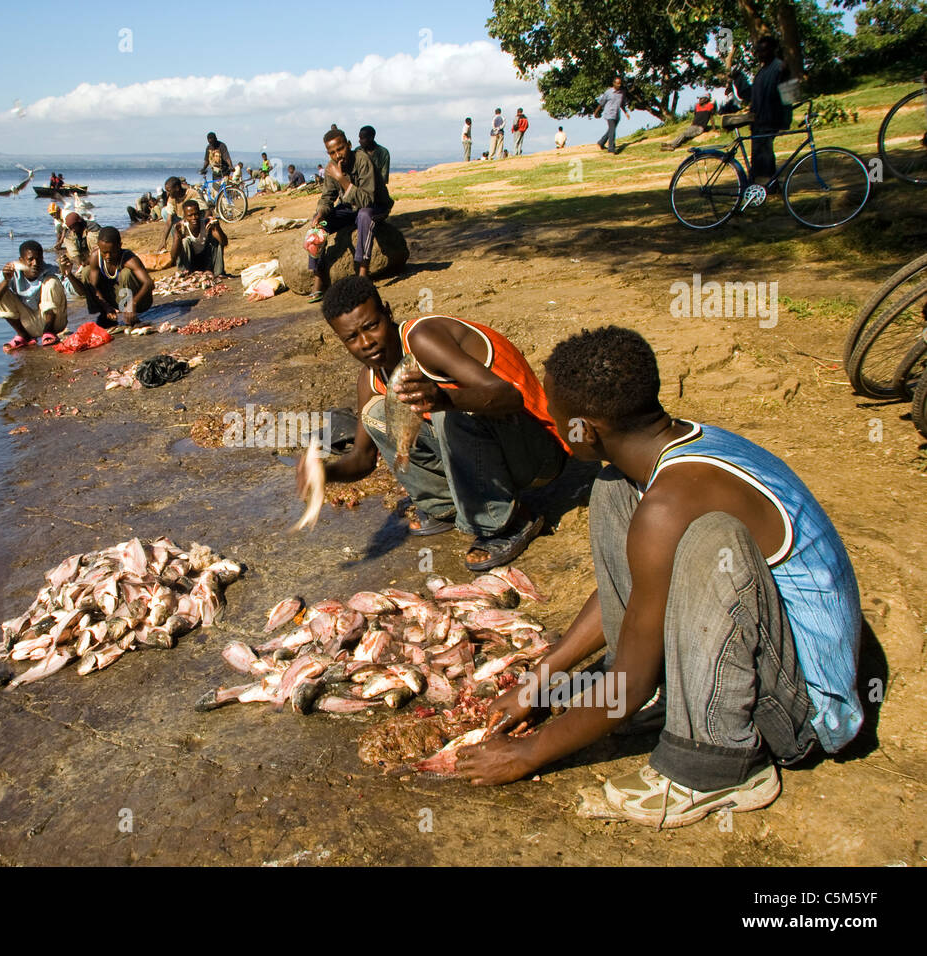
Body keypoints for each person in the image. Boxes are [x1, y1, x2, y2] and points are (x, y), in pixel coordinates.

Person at [455, 326, 863, 829]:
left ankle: (717, 764)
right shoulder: (668, 449)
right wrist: (544, 680)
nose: (553, 424)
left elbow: (623, 685)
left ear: (588, 428)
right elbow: (638, 593)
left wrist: (529, 753)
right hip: (765, 657)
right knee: (612, 489)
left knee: (712, 542)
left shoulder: (673, 501)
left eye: (558, 416)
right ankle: (676, 696)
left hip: (803, 712)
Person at [303, 277, 568, 569]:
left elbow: (510, 397)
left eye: (371, 326)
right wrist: (324, 473)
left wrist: (444, 400)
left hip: (538, 454)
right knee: (377, 412)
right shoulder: (370, 379)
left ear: (388, 313)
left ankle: (506, 521)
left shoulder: (423, 339)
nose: (366, 343)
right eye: (351, 338)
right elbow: (363, 459)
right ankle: (447, 506)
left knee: (445, 410)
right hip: (491, 459)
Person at [306, 128, 394, 303]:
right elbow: (327, 197)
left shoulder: (362, 161)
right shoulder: (331, 167)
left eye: (341, 149)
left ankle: (362, 273)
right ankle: (318, 276)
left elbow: (366, 200)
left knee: (364, 216)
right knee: (319, 224)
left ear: (349, 145)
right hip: (350, 207)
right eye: (332, 152)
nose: (338, 155)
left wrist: (342, 179)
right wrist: (321, 213)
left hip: (375, 206)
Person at [730, 36, 791, 184]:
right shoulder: (762, 72)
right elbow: (750, 95)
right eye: (758, 51)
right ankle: (766, 185)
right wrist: (739, 79)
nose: (760, 54)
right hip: (759, 121)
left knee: (765, 155)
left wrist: (786, 121)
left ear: (772, 50)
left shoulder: (780, 68)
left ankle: (767, 185)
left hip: (770, 119)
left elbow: (789, 95)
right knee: (760, 156)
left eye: (763, 51)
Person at [0, 240, 67, 351]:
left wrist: (67, 273)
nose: (35, 263)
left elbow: (77, 291)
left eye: (38, 259)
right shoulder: (12, 272)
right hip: (28, 324)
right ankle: (23, 336)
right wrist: (6, 280)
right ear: (21, 261)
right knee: (2, 291)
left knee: (51, 281)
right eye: (30, 260)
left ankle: (48, 332)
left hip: (54, 323)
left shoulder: (50, 270)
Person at [84, 226, 153, 327]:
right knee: (86, 273)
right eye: (104, 252)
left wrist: (133, 303)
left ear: (119, 246)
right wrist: (106, 306)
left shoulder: (128, 258)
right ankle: (106, 315)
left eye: (112, 252)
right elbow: (94, 287)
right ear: (98, 246)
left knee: (126, 274)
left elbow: (148, 283)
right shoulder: (95, 257)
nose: (108, 256)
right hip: (117, 299)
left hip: (139, 302)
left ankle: (131, 317)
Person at [55, 211, 104, 316]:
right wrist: (80, 264)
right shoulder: (70, 234)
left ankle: (94, 302)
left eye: (74, 226)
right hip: (84, 261)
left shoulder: (93, 229)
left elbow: (98, 251)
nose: (72, 229)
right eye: (70, 227)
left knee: (87, 274)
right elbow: (74, 254)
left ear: (80, 222)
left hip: (98, 259)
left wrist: (86, 263)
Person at [167, 200, 227, 275]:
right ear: (185, 217)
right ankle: (185, 273)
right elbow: (173, 257)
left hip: (205, 261)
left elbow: (224, 242)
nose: (194, 218)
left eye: (196, 214)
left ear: (200, 213)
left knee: (216, 240)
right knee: (185, 241)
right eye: (190, 215)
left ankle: (218, 273)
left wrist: (218, 229)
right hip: (190, 263)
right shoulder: (181, 228)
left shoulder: (206, 224)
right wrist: (177, 238)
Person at [160, 176, 206, 245]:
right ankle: (177, 239)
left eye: (169, 191)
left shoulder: (192, 193)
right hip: (181, 220)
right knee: (164, 211)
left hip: (194, 220)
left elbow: (206, 211)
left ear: (177, 188)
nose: (167, 194)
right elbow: (169, 221)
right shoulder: (172, 198)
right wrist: (163, 241)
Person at [595, 76, 630, 153]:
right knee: (612, 131)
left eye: (620, 83)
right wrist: (596, 112)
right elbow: (601, 103)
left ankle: (601, 142)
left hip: (617, 114)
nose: (619, 85)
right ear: (613, 83)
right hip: (609, 113)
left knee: (611, 130)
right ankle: (611, 149)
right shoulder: (608, 92)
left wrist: (626, 112)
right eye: (617, 83)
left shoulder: (622, 93)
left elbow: (622, 104)